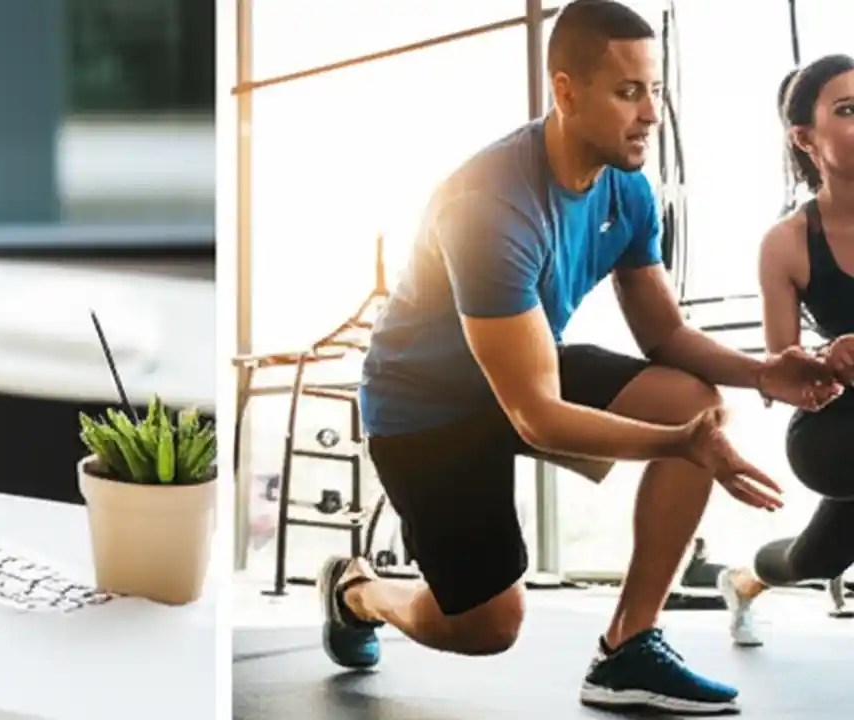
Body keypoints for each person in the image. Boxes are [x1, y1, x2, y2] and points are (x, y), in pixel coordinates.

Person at [320, 0, 844, 714]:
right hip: (425, 407)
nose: (651, 114)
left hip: (523, 364)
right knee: (487, 627)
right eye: (629, 92)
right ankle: (357, 591)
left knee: (695, 397)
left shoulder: (627, 188)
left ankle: (628, 646)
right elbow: (535, 415)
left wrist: (761, 370)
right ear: (565, 91)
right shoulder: (487, 206)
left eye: (655, 90)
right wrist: (683, 446)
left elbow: (664, 337)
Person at [716, 54, 854, 648]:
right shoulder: (787, 244)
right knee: (812, 560)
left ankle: (746, 582)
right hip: (837, 427)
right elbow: (786, 374)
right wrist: (827, 359)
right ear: (804, 137)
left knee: (823, 553)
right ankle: (743, 581)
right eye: (848, 110)